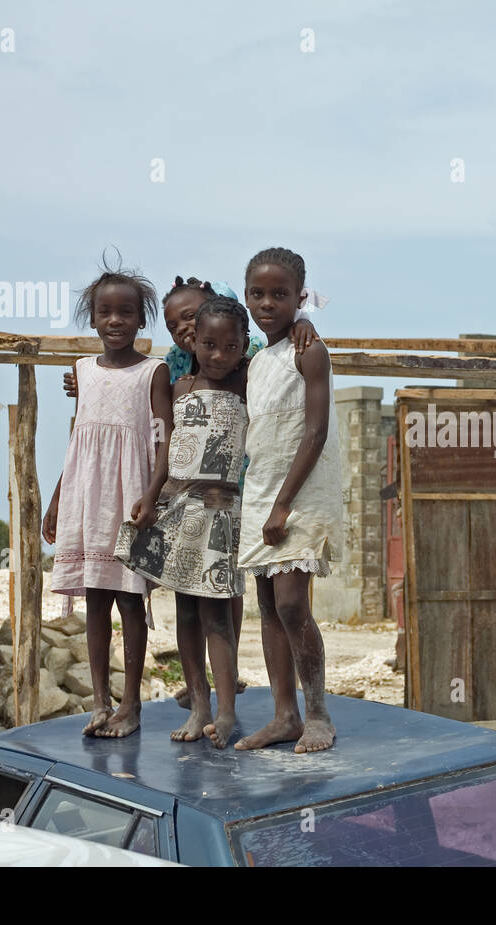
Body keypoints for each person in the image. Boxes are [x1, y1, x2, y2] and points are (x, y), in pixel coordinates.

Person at [62, 276, 319, 708]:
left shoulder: (244, 362)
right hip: (186, 498)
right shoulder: (177, 369)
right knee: (189, 598)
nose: (182, 329)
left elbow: (274, 351)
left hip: (240, 492)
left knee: (226, 596)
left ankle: (235, 687)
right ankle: (203, 691)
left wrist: (303, 322)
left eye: (189, 317)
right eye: (174, 324)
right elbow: (164, 430)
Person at [43, 258, 171, 738]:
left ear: (141, 319)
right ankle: (99, 703)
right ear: (92, 318)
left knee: (129, 599)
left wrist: (152, 494)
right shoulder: (81, 371)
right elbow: (80, 439)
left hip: (130, 494)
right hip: (85, 495)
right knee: (96, 600)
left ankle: (131, 706)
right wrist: (57, 499)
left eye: (125, 312)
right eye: (105, 312)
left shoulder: (153, 372)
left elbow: (163, 438)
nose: (114, 320)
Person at [115, 295, 250, 746]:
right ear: (195, 345)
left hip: (220, 515)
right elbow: (165, 452)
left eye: (228, 346)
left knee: (217, 618)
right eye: (207, 344)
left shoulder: (246, 383)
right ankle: (199, 705)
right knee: (185, 615)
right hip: (180, 510)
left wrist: (306, 322)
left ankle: (227, 713)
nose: (217, 354)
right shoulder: (180, 388)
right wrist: (150, 498)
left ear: (243, 346)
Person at [233, 248, 342, 754]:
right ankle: (284, 716)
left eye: (280, 294)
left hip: (298, 494)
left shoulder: (309, 350)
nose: (267, 303)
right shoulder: (257, 360)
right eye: (258, 294)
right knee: (267, 606)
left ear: (300, 297)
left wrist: (283, 505)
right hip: (261, 492)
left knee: (293, 603)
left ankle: (317, 713)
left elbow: (315, 431)